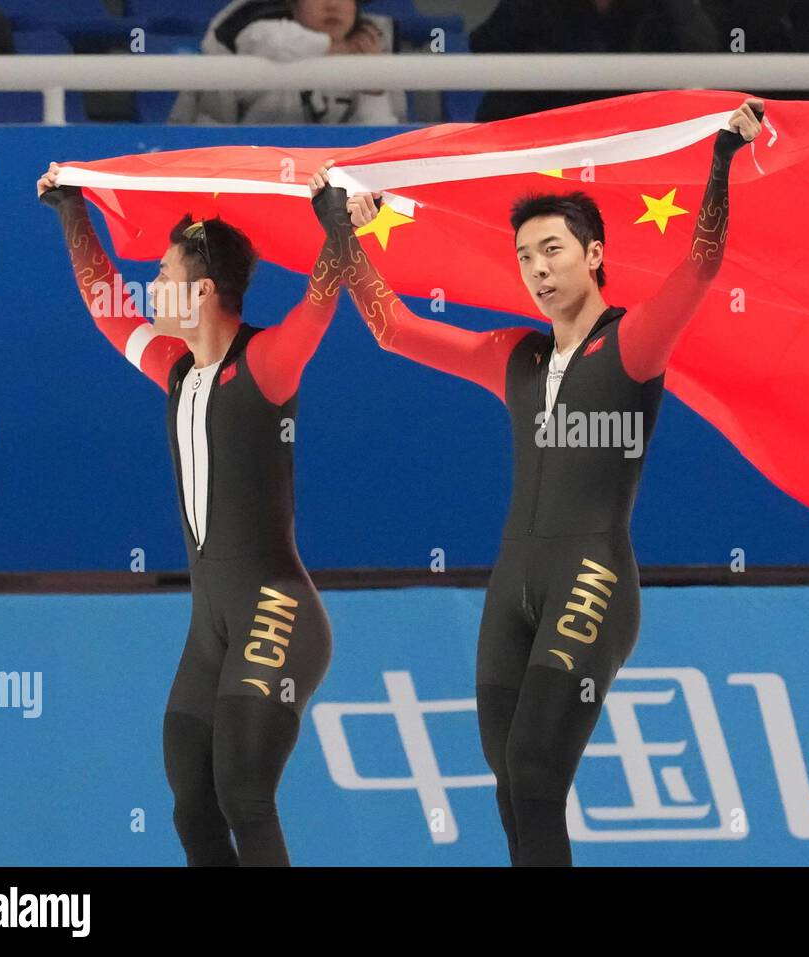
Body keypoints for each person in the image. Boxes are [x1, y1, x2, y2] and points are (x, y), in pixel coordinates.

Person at [321, 97, 763, 864]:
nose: (537, 269)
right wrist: (339, 232)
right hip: (514, 583)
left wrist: (720, 158)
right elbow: (393, 327)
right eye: (525, 256)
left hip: (593, 577)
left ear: (593, 254)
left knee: (530, 768)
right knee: (512, 779)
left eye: (553, 250)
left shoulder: (632, 344)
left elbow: (700, 265)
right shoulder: (515, 356)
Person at [37, 161, 355, 865]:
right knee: (192, 804)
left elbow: (320, 303)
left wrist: (339, 222)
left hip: (281, 613)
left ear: (202, 290)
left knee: (244, 791)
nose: (150, 284)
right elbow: (106, 304)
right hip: (211, 627)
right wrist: (71, 210)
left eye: (161, 271)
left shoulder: (265, 362)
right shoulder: (177, 371)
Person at [469, 0, 721, 122]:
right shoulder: (535, 5)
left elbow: (702, 49)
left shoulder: (659, 7)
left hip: (629, 131)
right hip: (544, 128)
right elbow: (485, 46)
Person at [170, 0, 403, 125]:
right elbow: (272, 42)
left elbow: (380, 141)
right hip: (237, 167)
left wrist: (373, 91)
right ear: (293, 6)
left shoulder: (372, 43)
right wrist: (339, 49)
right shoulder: (254, 27)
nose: (333, 4)